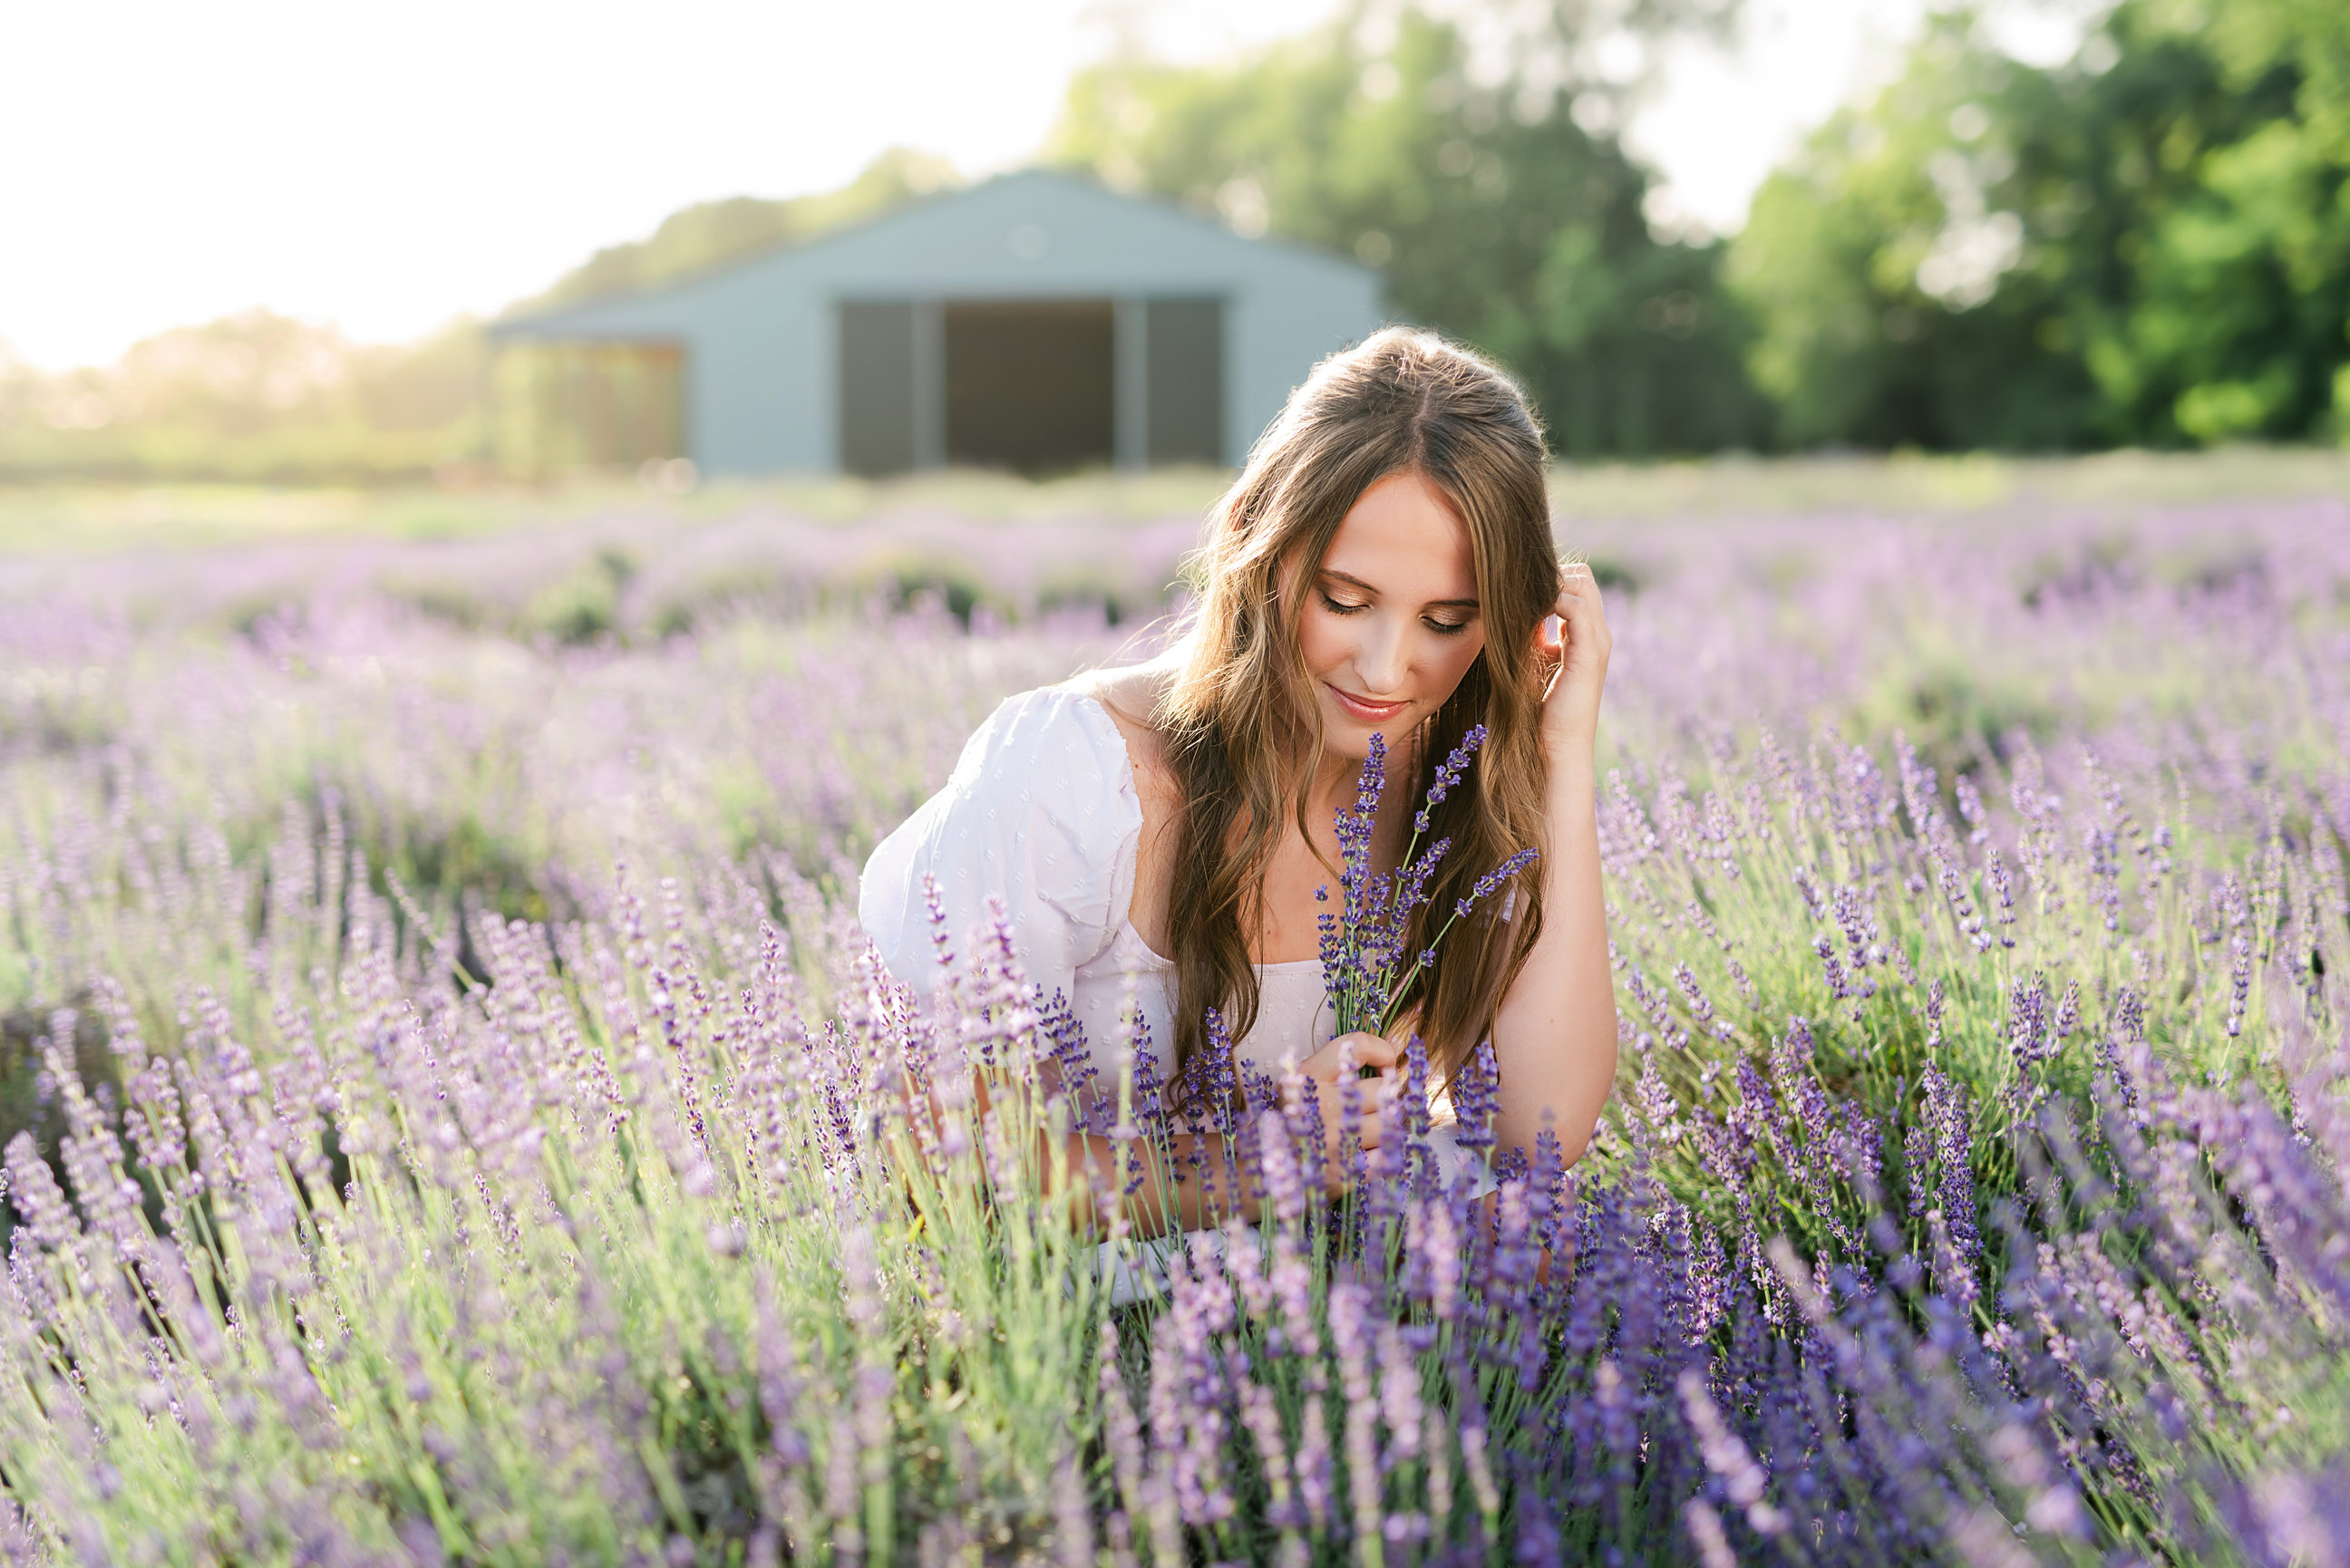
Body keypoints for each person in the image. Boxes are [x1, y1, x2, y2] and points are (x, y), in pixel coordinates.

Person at [859, 326, 1616, 1240]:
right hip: (1077, 1316)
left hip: (1329, 1319)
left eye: (1450, 619)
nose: (1387, 669)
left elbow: (1538, 1135)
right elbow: (922, 1151)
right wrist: (1260, 1163)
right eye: (1345, 599)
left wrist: (1559, 753)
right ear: (1256, 540)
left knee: (1533, 1235)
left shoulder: (1451, 783)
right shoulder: (1077, 772)